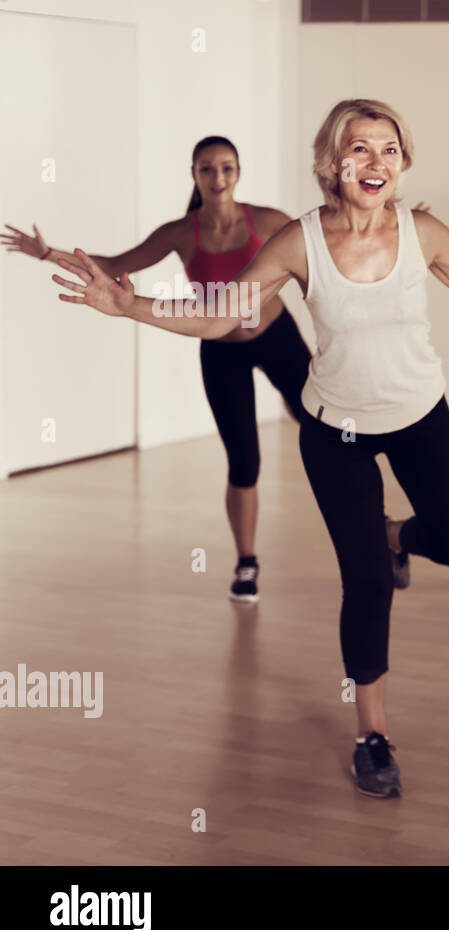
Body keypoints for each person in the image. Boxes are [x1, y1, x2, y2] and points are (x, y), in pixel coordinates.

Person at [47, 98, 449, 798]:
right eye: (360, 149)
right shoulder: (298, 241)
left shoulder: (424, 232)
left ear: (402, 163)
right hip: (336, 431)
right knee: (364, 585)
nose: (375, 163)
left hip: (418, 412)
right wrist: (131, 306)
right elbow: (220, 314)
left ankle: (394, 533)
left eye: (388, 150)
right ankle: (373, 735)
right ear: (334, 161)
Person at [4, 136, 311, 603]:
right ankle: (247, 563)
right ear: (194, 175)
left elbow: (324, 252)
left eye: (226, 168)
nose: (218, 178)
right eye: (207, 169)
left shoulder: (268, 221)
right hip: (220, 347)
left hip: (275, 335)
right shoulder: (180, 233)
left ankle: (376, 527)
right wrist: (48, 254)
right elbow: (112, 265)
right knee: (244, 461)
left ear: (239, 172)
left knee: (320, 422)